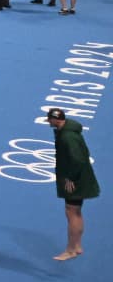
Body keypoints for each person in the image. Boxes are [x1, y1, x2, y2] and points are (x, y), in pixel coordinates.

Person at [49, 106, 97, 261]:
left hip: (75, 181)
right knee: (75, 212)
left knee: (72, 212)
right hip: (81, 178)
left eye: (50, 119)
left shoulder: (67, 137)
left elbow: (77, 159)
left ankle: (70, 250)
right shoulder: (69, 131)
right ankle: (77, 246)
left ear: (56, 119)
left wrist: (70, 178)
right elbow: (84, 154)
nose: (48, 121)